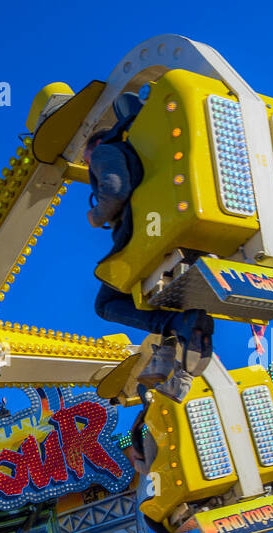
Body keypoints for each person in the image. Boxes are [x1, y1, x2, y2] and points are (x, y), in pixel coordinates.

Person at [85, 92, 214, 385]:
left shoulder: (106, 151)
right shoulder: (146, 151)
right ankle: (177, 350)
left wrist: (96, 215)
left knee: (106, 302)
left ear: (95, 147)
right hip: (178, 227)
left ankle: (176, 325)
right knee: (158, 295)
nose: (88, 168)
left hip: (145, 237)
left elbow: (115, 189)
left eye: (86, 161)